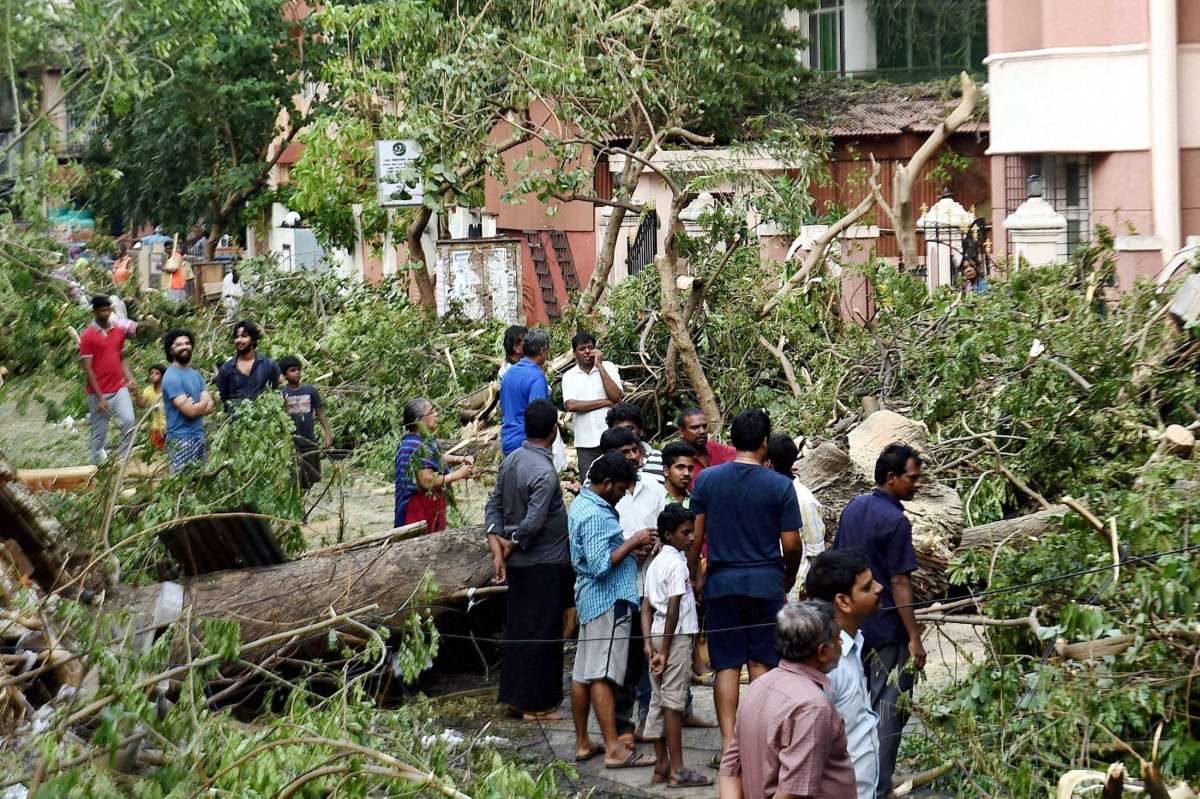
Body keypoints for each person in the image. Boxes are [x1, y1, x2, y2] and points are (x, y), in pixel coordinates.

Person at [687, 409, 803, 761]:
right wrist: (788, 575)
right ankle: (759, 743)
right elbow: (792, 543)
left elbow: (696, 535)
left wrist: (695, 574)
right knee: (761, 664)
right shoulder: (780, 485)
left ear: (733, 440)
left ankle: (728, 744)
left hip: (722, 582)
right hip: (765, 583)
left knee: (725, 664)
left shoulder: (707, 480)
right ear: (765, 443)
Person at [833, 443, 925, 799]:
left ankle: (850, 779)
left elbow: (839, 562)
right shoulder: (896, 521)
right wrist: (914, 636)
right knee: (889, 708)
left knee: (856, 706)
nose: (917, 484)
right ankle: (878, 785)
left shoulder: (854, 507)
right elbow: (901, 581)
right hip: (887, 629)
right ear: (891, 478)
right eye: (912, 478)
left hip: (853, 625)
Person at [568, 452, 656, 769]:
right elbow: (601, 564)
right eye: (621, 489)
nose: (622, 495)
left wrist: (633, 553)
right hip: (607, 600)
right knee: (602, 674)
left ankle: (582, 742)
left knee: (582, 673)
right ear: (607, 484)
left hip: (591, 599)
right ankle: (614, 749)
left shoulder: (583, 503)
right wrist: (634, 541)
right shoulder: (598, 515)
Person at [485, 399, 570, 721]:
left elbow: (492, 506)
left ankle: (517, 697)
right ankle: (539, 705)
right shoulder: (545, 472)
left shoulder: (511, 460)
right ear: (553, 431)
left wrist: (498, 545)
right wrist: (509, 546)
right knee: (543, 634)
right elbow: (533, 523)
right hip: (541, 563)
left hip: (520, 565)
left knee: (519, 630)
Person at [718, 601, 857, 799]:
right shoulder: (812, 707)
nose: (841, 644)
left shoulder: (758, 685)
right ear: (822, 652)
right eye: (837, 639)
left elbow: (730, 768)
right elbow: (792, 792)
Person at [601, 426, 666, 743]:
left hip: (649, 583)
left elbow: (662, 526)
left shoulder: (653, 487)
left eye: (634, 450)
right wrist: (631, 546)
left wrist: (651, 544)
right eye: (624, 452)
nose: (632, 457)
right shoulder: (601, 493)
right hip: (618, 585)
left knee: (648, 654)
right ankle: (621, 723)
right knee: (621, 657)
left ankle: (648, 720)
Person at [641, 504, 712, 789]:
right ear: (669, 535)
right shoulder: (676, 563)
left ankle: (662, 764)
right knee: (673, 703)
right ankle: (678, 770)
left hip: (656, 636)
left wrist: (649, 645)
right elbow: (673, 608)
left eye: (692, 531)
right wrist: (666, 651)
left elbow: (645, 608)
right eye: (686, 533)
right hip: (675, 638)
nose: (692, 537)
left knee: (658, 700)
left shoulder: (655, 562)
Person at [805, 550, 884, 799]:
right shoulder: (828, 666)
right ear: (843, 601)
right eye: (868, 586)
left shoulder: (853, 644)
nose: (879, 588)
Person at [393, 398, 476, 532]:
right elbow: (427, 481)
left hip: (430, 509)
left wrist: (460, 459)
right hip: (419, 513)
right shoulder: (415, 446)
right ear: (419, 421)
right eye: (431, 412)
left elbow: (435, 459)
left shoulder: (423, 441)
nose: (436, 415)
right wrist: (457, 475)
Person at [765, 433, 827, 598]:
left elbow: (816, 553)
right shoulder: (766, 495)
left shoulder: (804, 500)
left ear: (768, 464)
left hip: (796, 591)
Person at [79, 295, 138, 465]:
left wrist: (129, 378)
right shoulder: (88, 336)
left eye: (107, 310)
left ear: (111, 310)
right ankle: (99, 466)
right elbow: (88, 368)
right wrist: (100, 397)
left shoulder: (119, 331)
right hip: (98, 391)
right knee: (100, 432)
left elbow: (121, 357)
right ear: (95, 312)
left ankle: (122, 459)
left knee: (129, 421)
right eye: (101, 311)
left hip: (119, 387)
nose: (105, 313)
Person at [562, 332, 623, 482]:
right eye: (582, 349)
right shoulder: (569, 376)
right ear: (574, 353)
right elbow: (571, 405)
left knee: (616, 479)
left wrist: (600, 366)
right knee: (589, 482)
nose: (587, 352)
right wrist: (605, 402)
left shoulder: (608, 367)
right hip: (585, 442)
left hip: (611, 437)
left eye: (591, 347)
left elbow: (616, 396)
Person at [160, 329, 215, 473]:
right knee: (182, 489)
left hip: (199, 436)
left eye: (187, 343)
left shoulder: (195, 374)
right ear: (171, 350)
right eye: (179, 344)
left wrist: (196, 405)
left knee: (200, 485)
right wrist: (202, 403)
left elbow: (211, 406)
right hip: (180, 440)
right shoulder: (171, 377)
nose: (184, 347)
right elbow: (190, 411)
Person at [278, 356, 333, 491]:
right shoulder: (282, 393)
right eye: (292, 370)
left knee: (312, 479)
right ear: (285, 375)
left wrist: (328, 434)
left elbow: (320, 413)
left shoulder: (310, 390)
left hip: (310, 442)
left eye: (298, 370)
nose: (297, 372)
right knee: (295, 479)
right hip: (292, 444)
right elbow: (280, 419)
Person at [499, 328, 551, 455]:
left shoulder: (507, 374)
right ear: (542, 351)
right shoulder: (536, 377)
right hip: (528, 443)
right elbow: (538, 416)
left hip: (508, 439)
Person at [216, 320, 281, 412]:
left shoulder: (268, 364)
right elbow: (225, 398)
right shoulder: (226, 369)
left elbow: (277, 390)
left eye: (244, 336)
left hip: (264, 419)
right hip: (237, 422)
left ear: (253, 339)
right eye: (237, 337)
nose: (239, 340)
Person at [677, 407, 736, 489]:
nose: (702, 431)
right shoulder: (676, 460)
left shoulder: (719, 449)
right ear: (682, 432)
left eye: (704, 426)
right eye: (695, 427)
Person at [606, 402, 664, 485]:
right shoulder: (602, 462)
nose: (624, 434)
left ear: (641, 431)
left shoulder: (661, 459)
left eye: (629, 429)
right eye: (618, 430)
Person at [137, 364, 168, 452]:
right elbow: (141, 405)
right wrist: (135, 393)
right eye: (151, 373)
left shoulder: (168, 389)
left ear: (163, 376)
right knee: (156, 453)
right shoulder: (148, 390)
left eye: (157, 373)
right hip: (156, 428)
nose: (153, 375)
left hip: (169, 426)